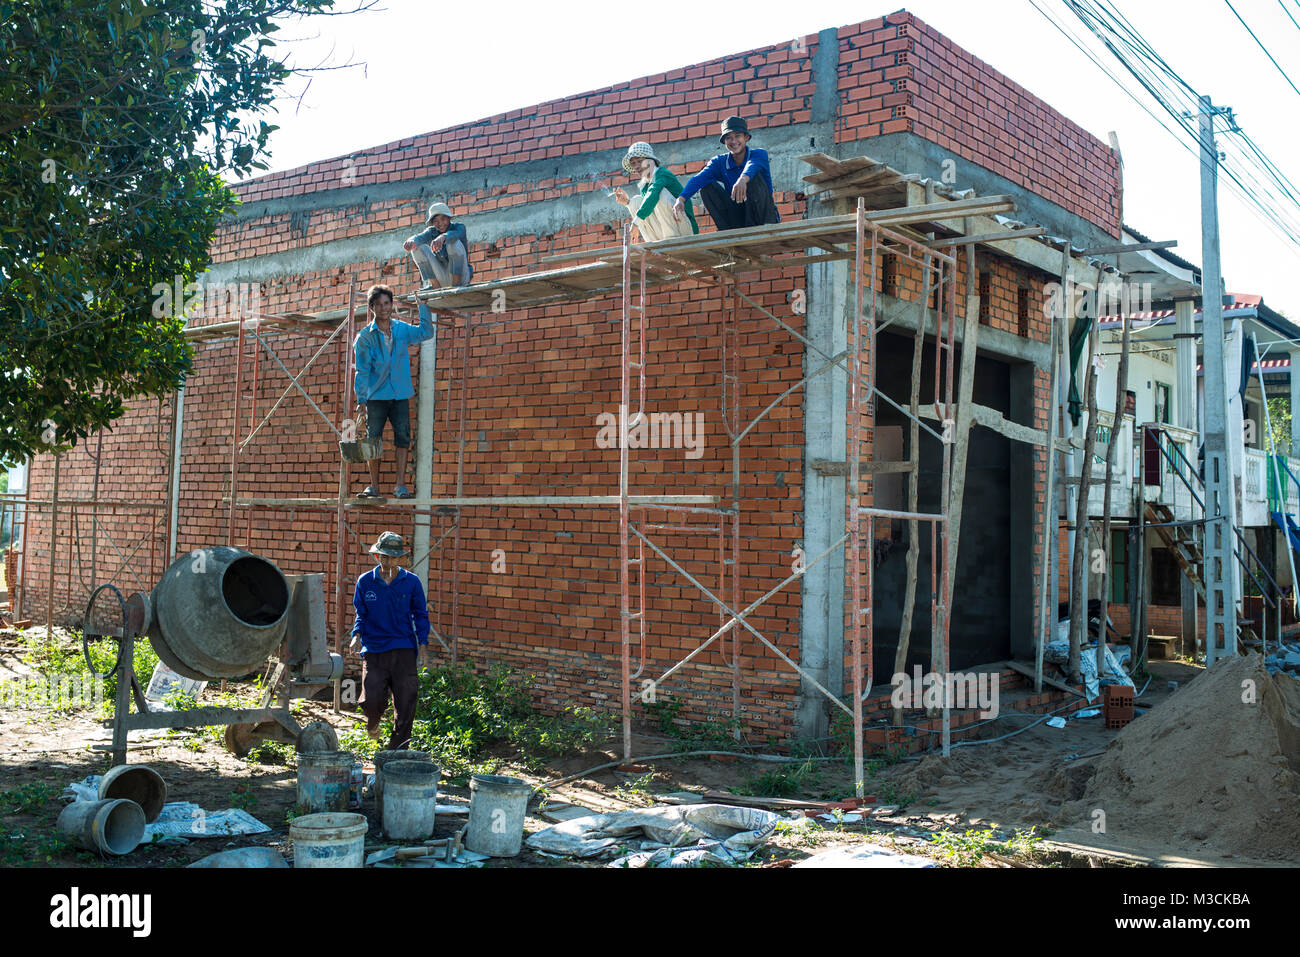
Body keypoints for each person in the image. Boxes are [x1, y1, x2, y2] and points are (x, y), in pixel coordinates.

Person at [353, 283, 434, 499]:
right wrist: (361, 400)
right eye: (379, 304)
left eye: (387, 303)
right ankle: (374, 487)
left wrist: (422, 306)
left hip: (399, 395)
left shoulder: (401, 329)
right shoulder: (364, 338)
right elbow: (361, 371)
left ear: (392, 304)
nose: (384, 308)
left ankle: (400, 485)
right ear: (372, 308)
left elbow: (426, 332)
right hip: (376, 397)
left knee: (403, 437)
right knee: (373, 439)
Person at [350, 532, 430, 747]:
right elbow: (361, 613)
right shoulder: (365, 581)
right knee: (372, 699)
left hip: (403, 648)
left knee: (406, 701)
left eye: (394, 558)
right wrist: (356, 635)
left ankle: (398, 749)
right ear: (378, 557)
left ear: (400, 559)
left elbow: (420, 614)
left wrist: (423, 645)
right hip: (374, 649)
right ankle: (373, 722)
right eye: (385, 557)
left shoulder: (411, 582)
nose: (389, 562)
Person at [673, 115, 780, 231]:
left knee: (752, 177)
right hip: (738, 221)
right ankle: (727, 230)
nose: (733, 141)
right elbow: (698, 179)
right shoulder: (719, 162)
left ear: (746, 137)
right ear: (724, 142)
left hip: (763, 218)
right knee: (706, 188)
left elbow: (752, 166)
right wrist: (681, 199)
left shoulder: (759, 154)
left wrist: (743, 179)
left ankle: (764, 226)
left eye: (737, 136)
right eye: (729, 138)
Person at [611, 141, 699, 242]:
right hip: (666, 231)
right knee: (635, 201)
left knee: (658, 194)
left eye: (640, 161)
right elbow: (648, 208)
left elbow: (653, 194)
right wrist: (627, 203)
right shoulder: (644, 185)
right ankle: (654, 243)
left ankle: (672, 241)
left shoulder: (662, 174)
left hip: (685, 230)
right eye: (633, 163)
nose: (636, 166)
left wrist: (635, 224)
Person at [403, 202, 472, 290]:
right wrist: (410, 242)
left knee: (453, 242)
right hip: (442, 278)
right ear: (432, 223)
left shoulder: (459, 227)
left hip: (461, 278)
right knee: (417, 248)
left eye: (443, 219)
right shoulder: (431, 232)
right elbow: (418, 237)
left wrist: (443, 237)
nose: (440, 223)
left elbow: (454, 234)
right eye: (436, 221)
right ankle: (434, 285)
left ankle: (456, 283)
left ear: (449, 218)